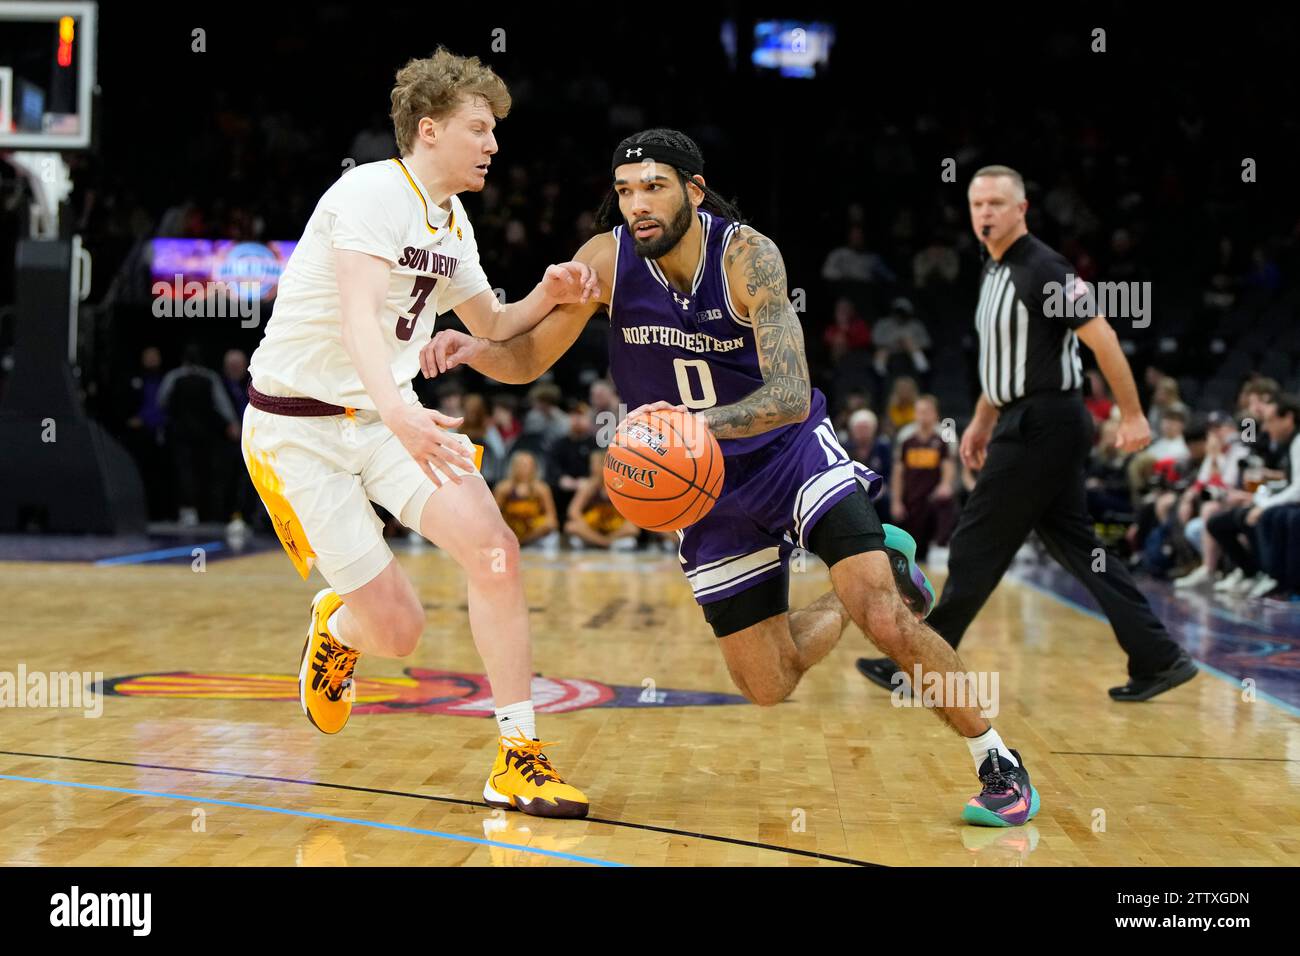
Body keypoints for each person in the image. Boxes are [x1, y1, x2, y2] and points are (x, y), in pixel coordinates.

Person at [424, 129, 1040, 827]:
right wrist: (477, 349)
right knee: (769, 682)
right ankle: (876, 575)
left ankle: (996, 761)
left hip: (788, 452)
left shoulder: (748, 255)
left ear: (692, 188)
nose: (636, 205)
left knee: (883, 615)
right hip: (704, 491)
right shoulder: (606, 258)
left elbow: (787, 389)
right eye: (624, 191)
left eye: (653, 187)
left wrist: (691, 430)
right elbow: (529, 357)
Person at [241, 48, 597, 818]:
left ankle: (518, 757)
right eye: (480, 128)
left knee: (495, 551)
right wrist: (400, 411)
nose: (493, 145)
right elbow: (361, 320)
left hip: (384, 420)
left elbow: (493, 324)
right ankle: (338, 623)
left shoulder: (452, 221)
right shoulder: (368, 192)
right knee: (398, 634)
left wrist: (550, 290)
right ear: (429, 131)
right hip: (297, 431)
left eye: (494, 131)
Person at [858, 165, 1196, 702]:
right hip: (1025, 419)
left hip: (1046, 422)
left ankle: (921, 664)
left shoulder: (1042, 267)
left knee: (975, 542)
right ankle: (1160, 658)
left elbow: (1103, 335)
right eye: (978, 204)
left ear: (1022, 210)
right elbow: (1003, 366)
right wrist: (981, 422)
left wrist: (1133, 415)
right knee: (1081, 550)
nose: (986, 213)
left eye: (997, 203)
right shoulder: (992, 272)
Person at [890, 395, 957, 563]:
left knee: (946, 502)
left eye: (927, 412)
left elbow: (949, 464)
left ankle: (942, 546)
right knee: (915, 550)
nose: (922, 415)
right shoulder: (906, 436)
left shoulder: (945, 435)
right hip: (912, 498)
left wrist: (945, 484)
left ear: (935, 414)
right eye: (919, 411)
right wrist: (896, 501)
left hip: (933, 497)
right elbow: (898, 471)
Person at [565, 449, 640, 550]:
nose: (591, 467)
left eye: (594, 464)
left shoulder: (619, 485)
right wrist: (585, 526)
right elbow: (573, 511)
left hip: (613, 527)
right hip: (593, 527)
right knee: (571, 527)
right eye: (591, 464)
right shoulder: (588, 486)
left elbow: (630, 515)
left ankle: (600, 542)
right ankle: (603, 543)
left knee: (632, 528)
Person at [495, 451, 559, 548]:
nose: (524, 469)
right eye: (520, 465)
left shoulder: (541, 489)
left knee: (550, 525)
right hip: (511, 527)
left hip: (532, 531)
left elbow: (552, 518)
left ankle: (522, 542)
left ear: (534, 468)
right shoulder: (503, 488)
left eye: (528, 465)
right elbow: (493, 515)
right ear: (513, 467)